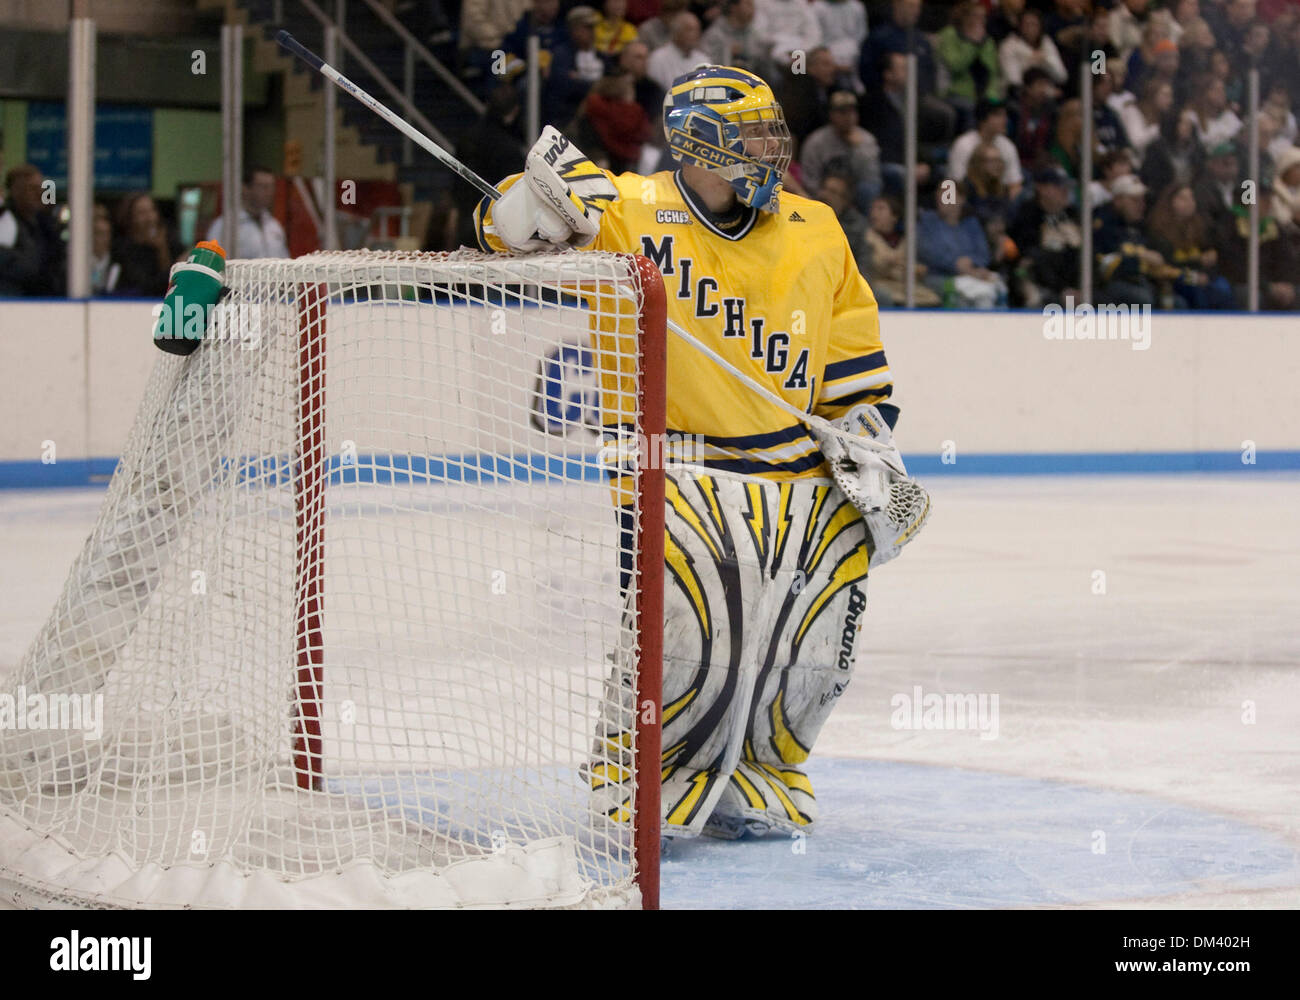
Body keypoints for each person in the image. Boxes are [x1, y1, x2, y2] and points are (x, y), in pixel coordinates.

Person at [476, 65, 924, 840]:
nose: (771, 151)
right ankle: (640, 776)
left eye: (771, 134)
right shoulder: (625, 209)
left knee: (804, 645)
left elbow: (853, 352)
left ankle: (766, 770)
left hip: (796, 479)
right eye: (753, 136)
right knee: (682, 640)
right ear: (698, 140)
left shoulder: (816, 226)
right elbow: (500, 231)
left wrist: (864, 434)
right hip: (671, 472)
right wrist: (530, 202)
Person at [1008, 165, 1080, 308]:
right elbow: (1026, 253)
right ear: (1041, 188)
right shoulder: (1028, 214)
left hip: (1073, 281)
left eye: (1066, 187)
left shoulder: (1074, 215)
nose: (1065, 192)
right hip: (1041, 278)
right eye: (1058, 187)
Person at [798, 90, 882, 209]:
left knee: (868, 189)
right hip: (824, 194)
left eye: (852, 112)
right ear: (831, 114)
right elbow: (809, 178)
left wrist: (858, 149)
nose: (849, 117)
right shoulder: (816, 141)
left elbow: (871, 177)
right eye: (843, 112)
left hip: (854, 196)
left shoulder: (866, 140)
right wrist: (824, 193)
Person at [0, 164, 65, 297]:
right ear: (15, 191)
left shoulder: (46, 225)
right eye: (32, 189)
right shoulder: (4, 221)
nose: (39, 193)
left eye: (41, 188)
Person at [206, 165, 289, 258]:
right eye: (263, 186)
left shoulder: (274, 225)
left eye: (271, 186)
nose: (269, 192)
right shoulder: (225, 226)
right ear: (245, 188)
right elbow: (213, 262)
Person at [115, 193, 184, 297]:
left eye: (152, 210)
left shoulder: (170, 242)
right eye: (142, 213)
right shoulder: (124, 251)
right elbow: (149, 287)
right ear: (131, 218)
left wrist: (162, 249)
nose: (149, 218)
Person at [646, 11, 710, 90]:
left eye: (697, 30)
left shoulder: (703, 59)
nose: (696, 34)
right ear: (677, 31)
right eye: (690, 30)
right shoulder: (658, 58)